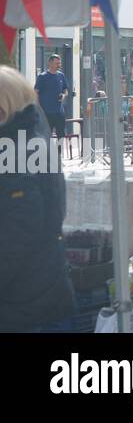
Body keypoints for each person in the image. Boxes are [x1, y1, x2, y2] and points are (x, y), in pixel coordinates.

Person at [0, 66, 76, 332]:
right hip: (37, 287)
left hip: (23, 297)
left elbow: (18, 232)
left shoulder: (18, 151)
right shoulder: (26, 137)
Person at [33, 54, 74, 140]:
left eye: (59, 63)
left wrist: (63, 95)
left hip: (59, 112)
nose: (59, 65)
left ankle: (59, 153)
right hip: (46, 112)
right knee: (46, 135)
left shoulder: (61, 75)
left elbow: (65, 90)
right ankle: (47, 153)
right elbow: (35, 93)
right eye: (57, 63)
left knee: (61, 134)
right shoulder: (42, 77)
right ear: (50, 63)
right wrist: (39, 108)